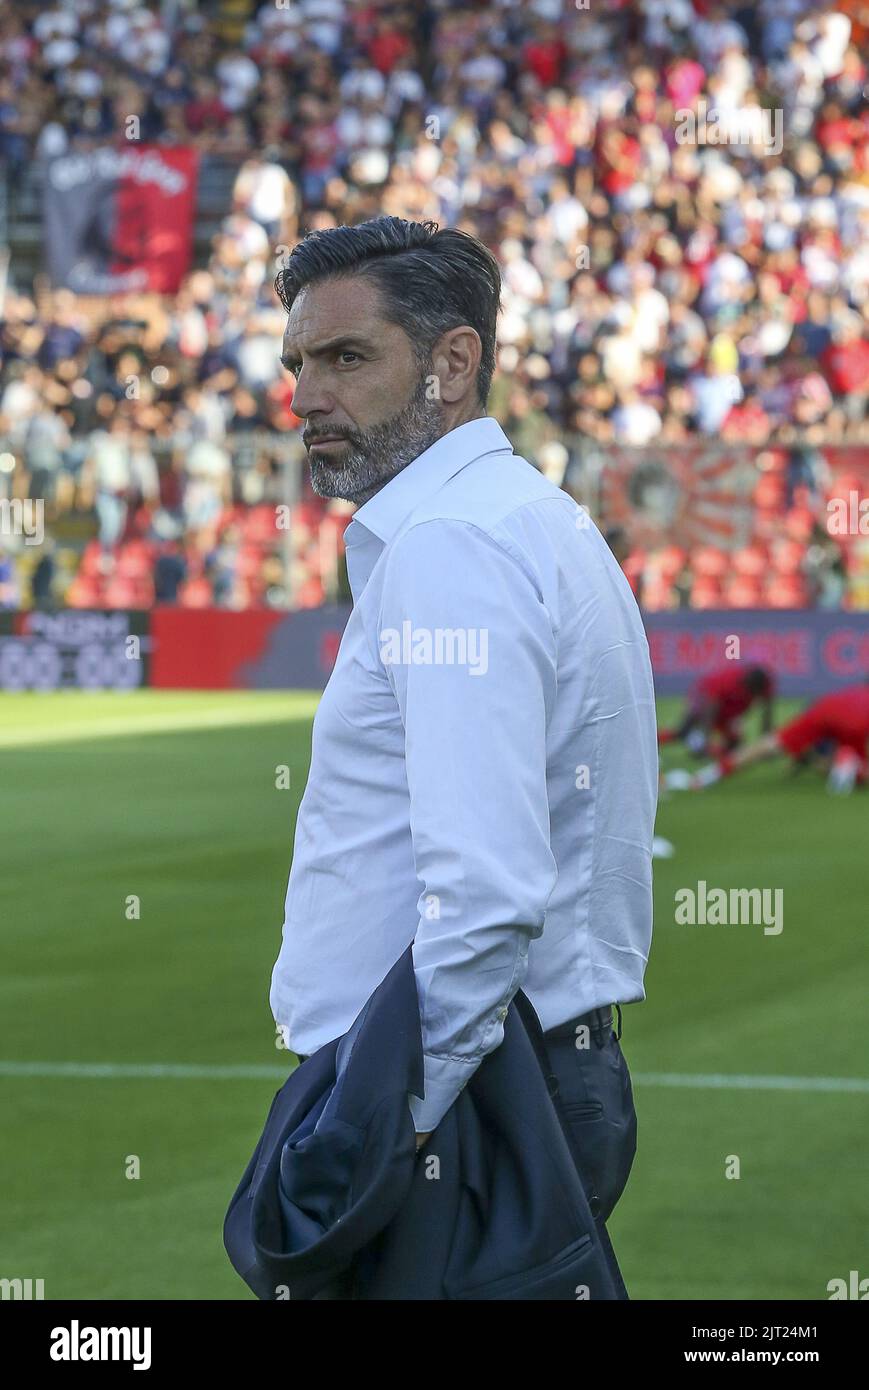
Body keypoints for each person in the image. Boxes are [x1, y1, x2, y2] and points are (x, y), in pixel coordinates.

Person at [268, 216, 658, 1296]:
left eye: (346, 357)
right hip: (515, 1070)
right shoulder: (531, 519)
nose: (305, 395)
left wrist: (375, 1125)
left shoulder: (452, 545)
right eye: (297, 361)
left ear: (452, 362)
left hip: (465, 1093)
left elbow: (483, 894)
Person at [666, 681, 869, 795]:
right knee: (859, 766)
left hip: (824, 709)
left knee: (767, 745)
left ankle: (706, 777)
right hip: (858, 722)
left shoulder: (854, 691)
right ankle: (848, 766)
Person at [658, 664, 775, 756]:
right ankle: (655, 740)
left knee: (735, 743)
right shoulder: (728, 681)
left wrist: (766, 741)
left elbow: (767, 713)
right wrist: (705, 736)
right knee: (683, 731)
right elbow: (710, 710)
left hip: (728, 711)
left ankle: (710, 752)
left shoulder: (764, 687)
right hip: (703, 699)